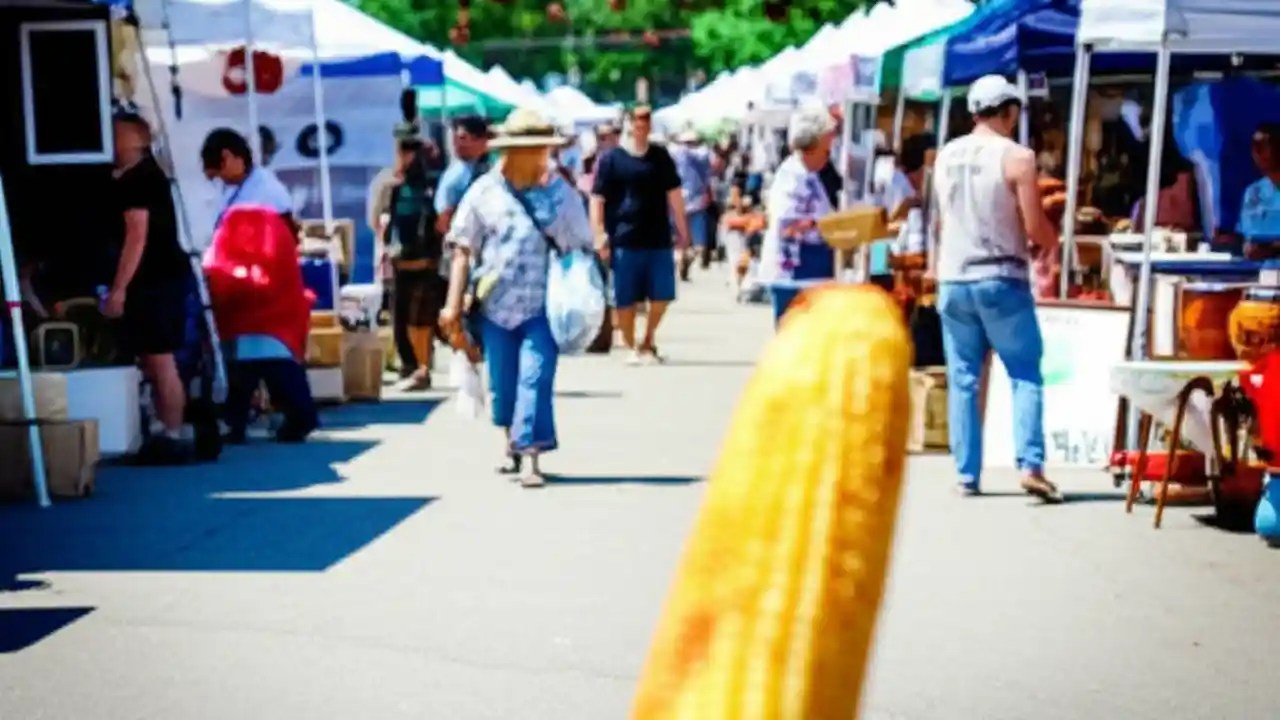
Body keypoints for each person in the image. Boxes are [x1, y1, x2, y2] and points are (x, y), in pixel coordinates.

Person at [439, 108, 594, 488]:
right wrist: (452, 304)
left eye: (539, 148)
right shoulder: (484, 191)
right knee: (503, 384)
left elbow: (581, 246)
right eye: (529, 148)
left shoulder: (561, 194)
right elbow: (462, 249)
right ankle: (510, 440)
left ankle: (531, 457)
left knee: (535, 377)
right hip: (494, 307)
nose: (537, 155)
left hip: (545, 308)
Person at [932, 74, 1062, 502]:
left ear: (973, 112)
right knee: (1024, 372)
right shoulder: (1018, 157)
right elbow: (1033, 224)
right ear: (1009, 111)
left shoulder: (946, 154)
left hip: (953, 276)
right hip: (1000, 275)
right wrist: (1053, 244)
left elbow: (941, 219)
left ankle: (966, 474)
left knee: (964, 377)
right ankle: (1030, 464)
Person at [108, 112, 193, 463]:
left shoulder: (143, 179)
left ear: (133, 138)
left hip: (157, 280)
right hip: (155, 280)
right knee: (150, 358)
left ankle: (172, 433)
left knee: (160, 359)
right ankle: (161, 430)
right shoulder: (133, 177)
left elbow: (137, 235)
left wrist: (119, 289)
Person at [590, 105, 691, 365]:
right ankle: (631, 344)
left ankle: (648, 338)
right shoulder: (612, 159)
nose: (641, 126)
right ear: (628, 123)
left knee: (662, 295)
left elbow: (675, 193)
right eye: (637, 120)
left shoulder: (660, 156)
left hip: (658, 236)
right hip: (623, 237)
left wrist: (683, 230)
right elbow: (597, 198)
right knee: (625, 299)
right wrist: (598, 232)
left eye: (646, 121)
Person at [759, 103, 838, 283]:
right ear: (812, 146)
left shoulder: (810, 175)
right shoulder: (793, 177)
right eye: (826, 151)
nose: (828, 157)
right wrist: (821, 224)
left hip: (813, 260)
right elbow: (786, 225)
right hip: (795, 265)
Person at [201, 127, 296, 233]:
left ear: (227, 157)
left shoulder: (269, 191)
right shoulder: (232, 189)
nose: (222, 181)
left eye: (220, 175)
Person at [1227, 122, 1280, 259]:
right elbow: (1245, 236)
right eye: (1254, 145)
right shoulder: (1253, 192)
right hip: (1256, 272)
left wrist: (1273, 248)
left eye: (1263, 145)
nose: (1257, 151)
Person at [435, 115, 493, 238]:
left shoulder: (491, 167)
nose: (457, 143)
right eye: (455, 138)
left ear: (481, 140)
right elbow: (443, 219)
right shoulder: (455, 175)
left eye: (463, 138)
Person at [671, 128, 714, 275]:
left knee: (688, 240)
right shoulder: (704, 154)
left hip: (686, 201)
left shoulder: (679, 153)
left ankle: (684, 259)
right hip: (693, 202)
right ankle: (686, 259)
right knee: (693, 241)